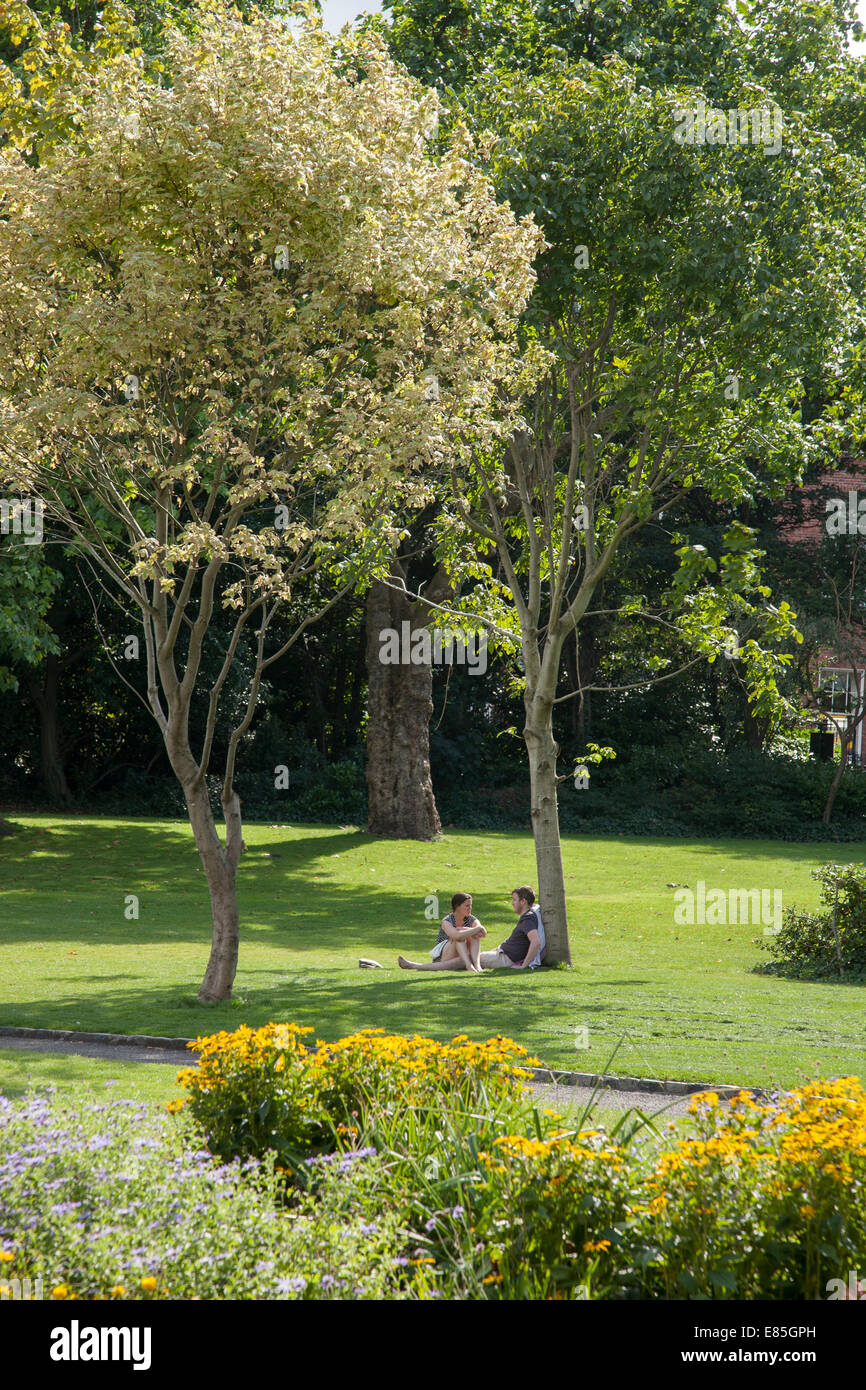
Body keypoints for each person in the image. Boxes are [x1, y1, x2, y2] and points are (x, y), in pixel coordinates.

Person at [397, 892, 487, 973]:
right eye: (467, 906)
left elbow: (483, 933)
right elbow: (457, 936)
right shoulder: (447, 921)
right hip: (445, 955)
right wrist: (476, 929)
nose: (470, 908)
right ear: (457, 906)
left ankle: (476, 965)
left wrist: (463, 929)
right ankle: (469, 965)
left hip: (465, 954)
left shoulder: (471, 919)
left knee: (473, 936)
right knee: (459, 938)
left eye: (470, 905)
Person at [479, 886, 544, 970]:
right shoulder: (530, 914)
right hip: (501, 953)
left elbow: (536, 942)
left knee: (469, 958)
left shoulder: (528, 919)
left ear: (523, 901)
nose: (512, 903)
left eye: (514, 900)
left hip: (505, 959)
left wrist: (523, 965)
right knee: (471, 956)